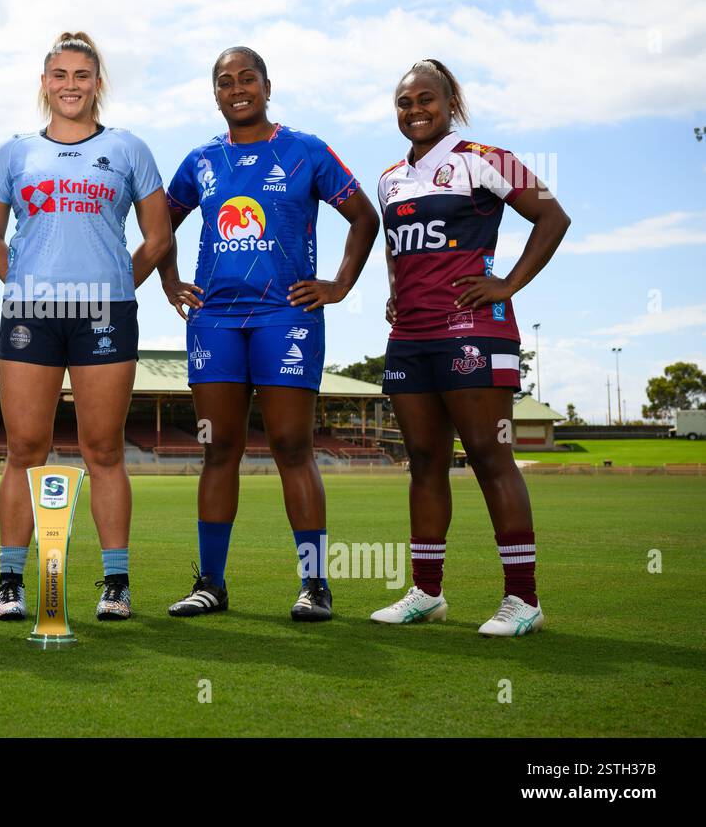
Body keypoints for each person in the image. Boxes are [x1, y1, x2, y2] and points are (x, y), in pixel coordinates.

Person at [153, 46, 378, 622]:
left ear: (267, 85)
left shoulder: (305, 150)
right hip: (216, 320)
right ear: (216, 94)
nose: (237, 89)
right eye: (225, 82)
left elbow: (364, 216)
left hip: (286, 316)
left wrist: (339, 285)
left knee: (291, 447)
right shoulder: (201, 159)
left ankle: (315, 585)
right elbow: (161, 222)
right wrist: (172, 281)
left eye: (246, 78)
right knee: (218, 450)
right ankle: (210, 584)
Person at [369, 58, 569, 637]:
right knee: (425, 463)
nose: (415, 111)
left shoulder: (484, 158)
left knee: (487, 454)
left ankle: (523, 600)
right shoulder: (389, 178)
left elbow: (552, 216)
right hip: (410, 336)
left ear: (450, 101)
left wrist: (507, 283)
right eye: (404, 103)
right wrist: (393, 293)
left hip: (475, 332)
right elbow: (395, 246)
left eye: (426, 99)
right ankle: (426, 593)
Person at [0, 31, 171, 622]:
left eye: (81, 76)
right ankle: (11, 581)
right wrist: (27, 284)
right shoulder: (14, 153)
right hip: (31, 315)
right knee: (24, 449)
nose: (70, 85)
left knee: (104, 449)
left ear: (97, 84)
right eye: (58, 75)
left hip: (104, 314)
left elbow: (158, 237)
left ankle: (115, 584)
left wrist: (114, 286)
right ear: (44, 83)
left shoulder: (129, 148)